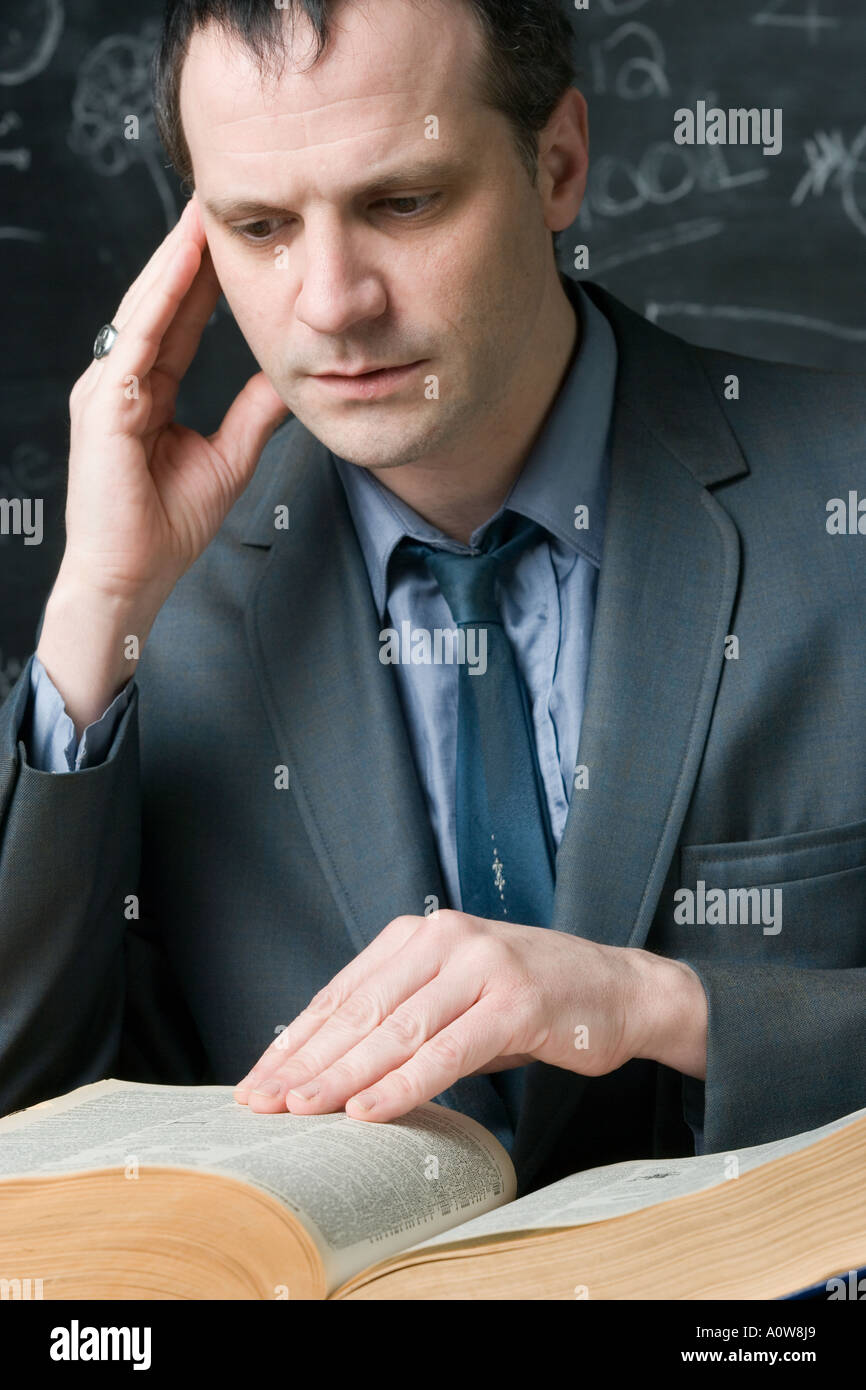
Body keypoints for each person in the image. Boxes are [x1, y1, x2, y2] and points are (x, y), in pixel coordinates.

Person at [0, 0, 863, 1197]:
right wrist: (95, 609)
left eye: (401, 203)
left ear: (556, 163)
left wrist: (662, 1005)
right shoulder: (158, 618)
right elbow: (31, 1122)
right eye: (259, 227)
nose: (332, 303)